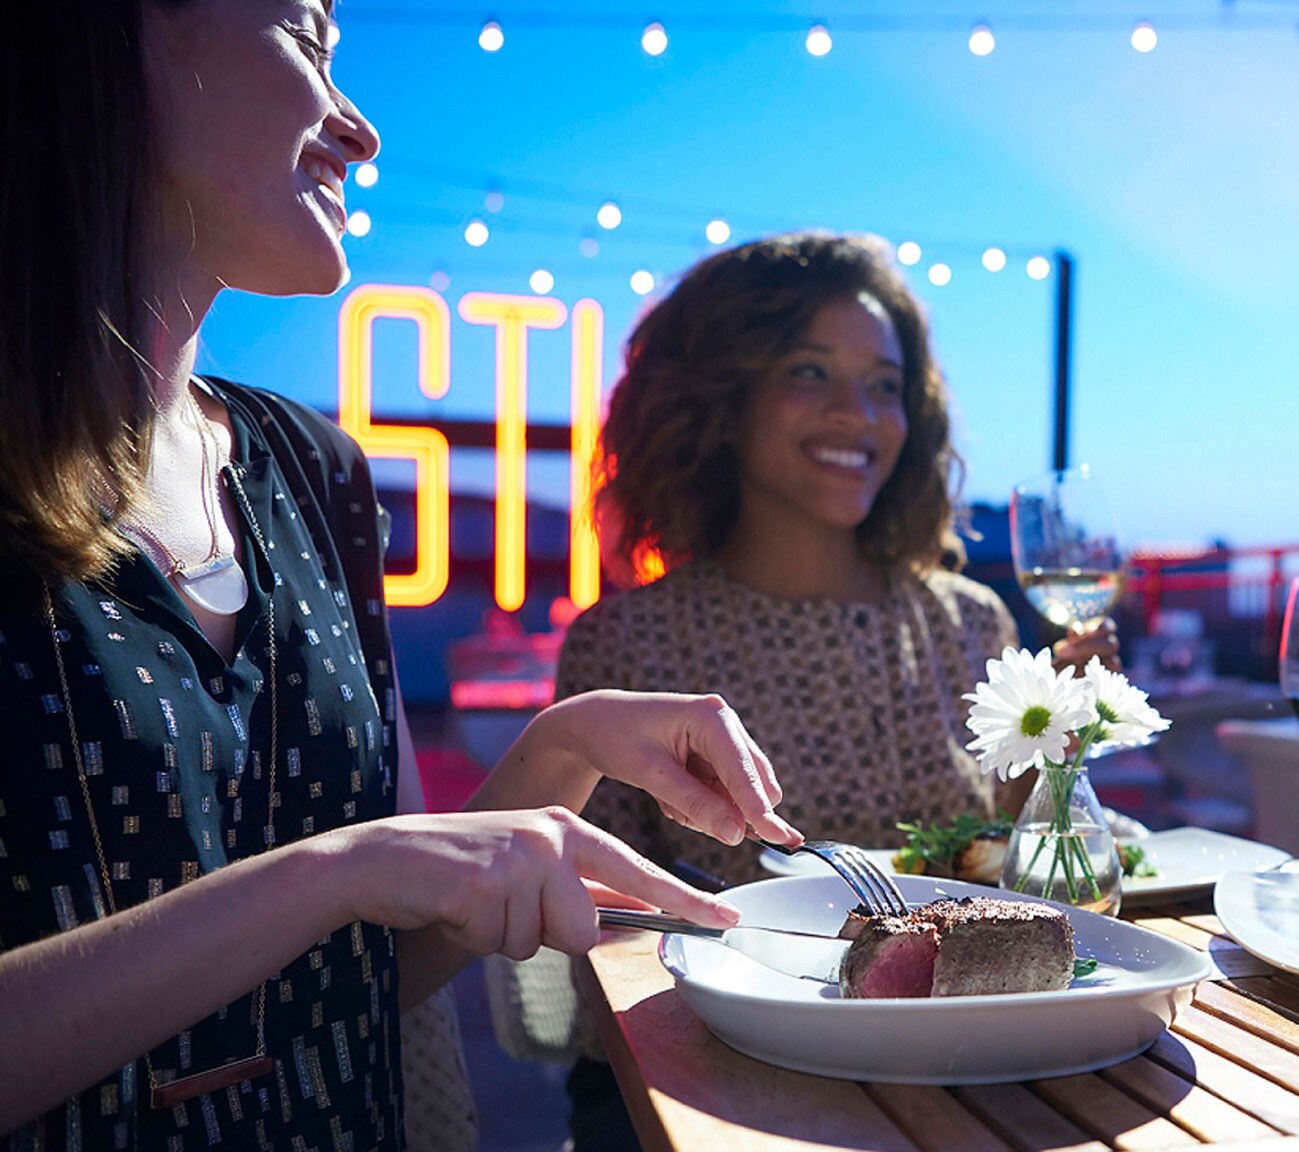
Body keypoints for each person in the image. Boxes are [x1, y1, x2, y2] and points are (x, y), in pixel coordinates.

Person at [0, 2, 800, 1143]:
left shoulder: (311, 471)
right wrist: (328, 872)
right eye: (304, 42)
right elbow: (335, 884)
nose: (358, 128)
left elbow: (357, 987)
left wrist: (560, 749)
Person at [563, 231, 1117, 891]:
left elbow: (1012, 872)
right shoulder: (624, 648)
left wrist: (1055, 751)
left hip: (976, 994)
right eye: (809, 371)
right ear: (721, 397)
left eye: (884, 385)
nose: (856, 414)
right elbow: (595, 918)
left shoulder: (970, 622)